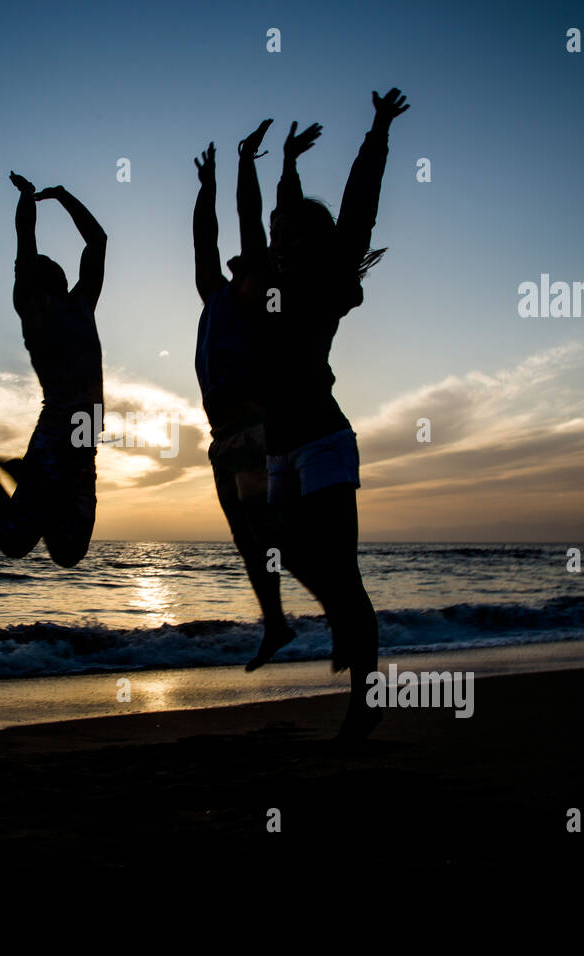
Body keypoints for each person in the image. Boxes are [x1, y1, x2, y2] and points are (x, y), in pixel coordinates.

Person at [256, 89, 409, 743]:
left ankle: (364, 699)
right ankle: (348, 630)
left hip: (322, 437)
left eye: (294, 237)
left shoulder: (325, 280)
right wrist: (286, 163)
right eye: (277, 236)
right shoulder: (269, 284)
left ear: (317, 244)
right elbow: (280, 216)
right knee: (284, 551)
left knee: (342, 572)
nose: (282, 244)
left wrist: (376, 130)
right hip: (277, 443)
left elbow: (360, 206)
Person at [192, 122, 323, 671]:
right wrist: (207, 183)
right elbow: (205, 240)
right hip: (223, 438)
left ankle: (335, 603)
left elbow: (249, 223)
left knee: (271, 535)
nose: (239, 265)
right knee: (249, 542)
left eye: (250, 265)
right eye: (239, 267)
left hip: (253, 429)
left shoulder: (261, 302)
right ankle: (276, 623)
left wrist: (249, 163)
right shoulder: (216, 295)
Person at [0, 173, 106, 568]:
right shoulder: (34, 310)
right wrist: (27, 197)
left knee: (69, 552)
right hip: (61, 428)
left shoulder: (81, 303)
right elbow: (26, 244)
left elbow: (97, 242)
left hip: (85, 431)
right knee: (13, 543)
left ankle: (24, 474)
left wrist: (62, 195)